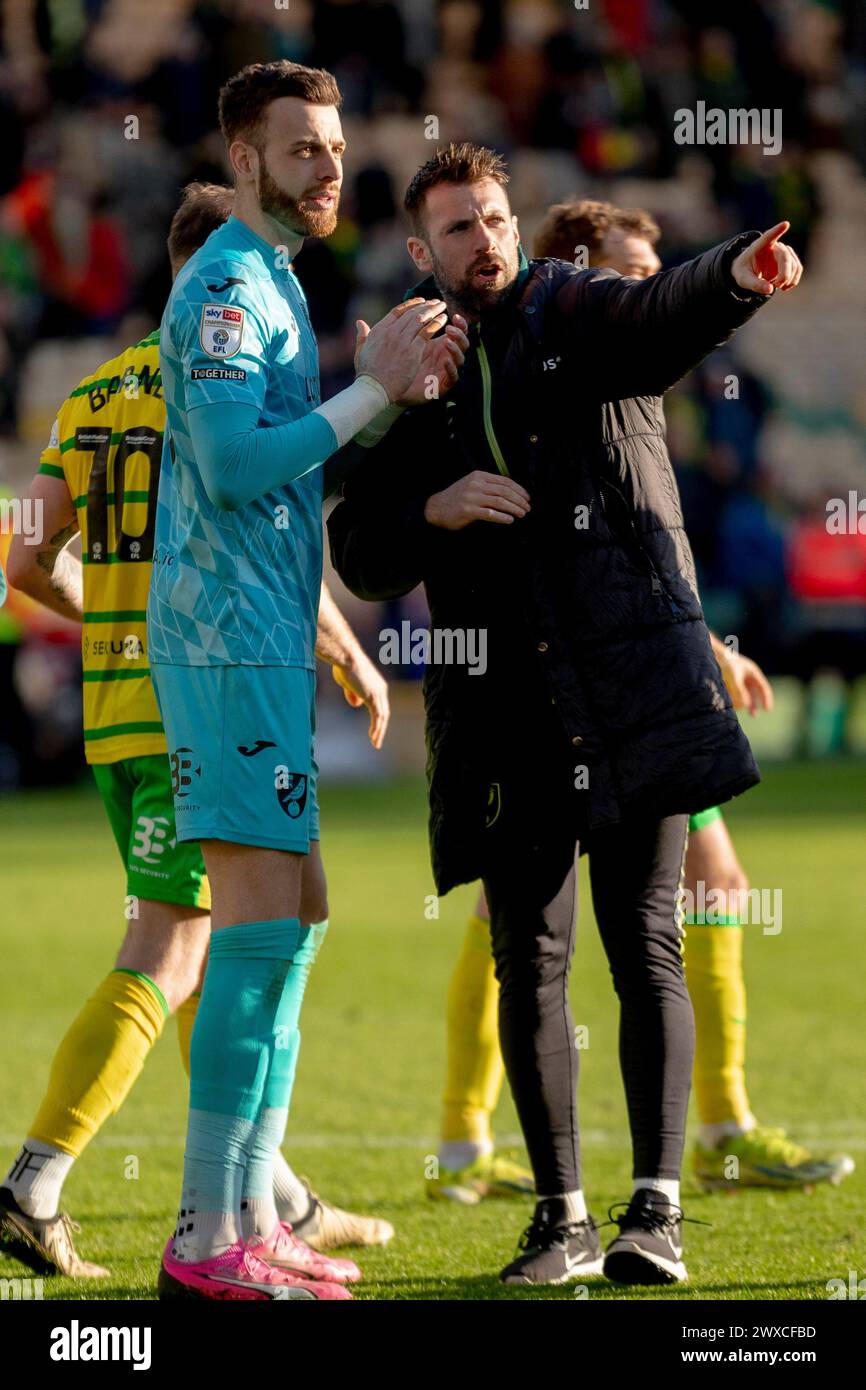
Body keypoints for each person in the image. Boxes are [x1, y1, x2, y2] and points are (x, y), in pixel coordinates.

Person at [328, 141, 804, 1287]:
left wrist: (734, 271)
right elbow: (355, 541)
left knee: (644, 949)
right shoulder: (406, 364)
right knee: (526, 962)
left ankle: (656, 1214)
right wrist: (433, 507)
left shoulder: (569, 304)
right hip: (502, 709)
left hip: (627, 689)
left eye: (492, 217)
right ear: (419, 252)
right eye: (455, 227)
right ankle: (560, 1220)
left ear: (513, 223)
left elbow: (659, 313)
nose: (481, 239)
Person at [0, 181, 395, 1291]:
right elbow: (250, 529)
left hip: (116, 706)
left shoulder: (86, 397)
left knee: (221, 938)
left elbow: (24, 558)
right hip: (202, 693)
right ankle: (39, 1179)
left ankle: (262, 1196)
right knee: (177, 945)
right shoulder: (218, 372)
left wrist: (106, 613)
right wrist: (338, 644)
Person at [428, 199, 852, 1204]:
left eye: (655, 274)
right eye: (631, 274)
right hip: (579, 693)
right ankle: (477, 1140)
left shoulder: (644, 380)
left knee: (703, 887)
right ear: (577, 276)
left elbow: (638, 538)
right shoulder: (560, 357)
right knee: (525, 923)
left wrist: (698, 645)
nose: (645, 294)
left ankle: (710, 1126)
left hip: (651, 681)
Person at [147, 64, 466, 1301]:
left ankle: (249, 1207)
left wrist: (381, 406)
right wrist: (371, 392)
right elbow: (231, 467)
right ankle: (203, 1237)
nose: (327, 167)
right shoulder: (227, 282)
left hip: (265, 638)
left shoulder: (277, 278)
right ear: (244, 159)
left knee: (299, 916)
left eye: (334, 148)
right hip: (220, 643)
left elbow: (287, 463)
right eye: (299, 151)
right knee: (259, 924)